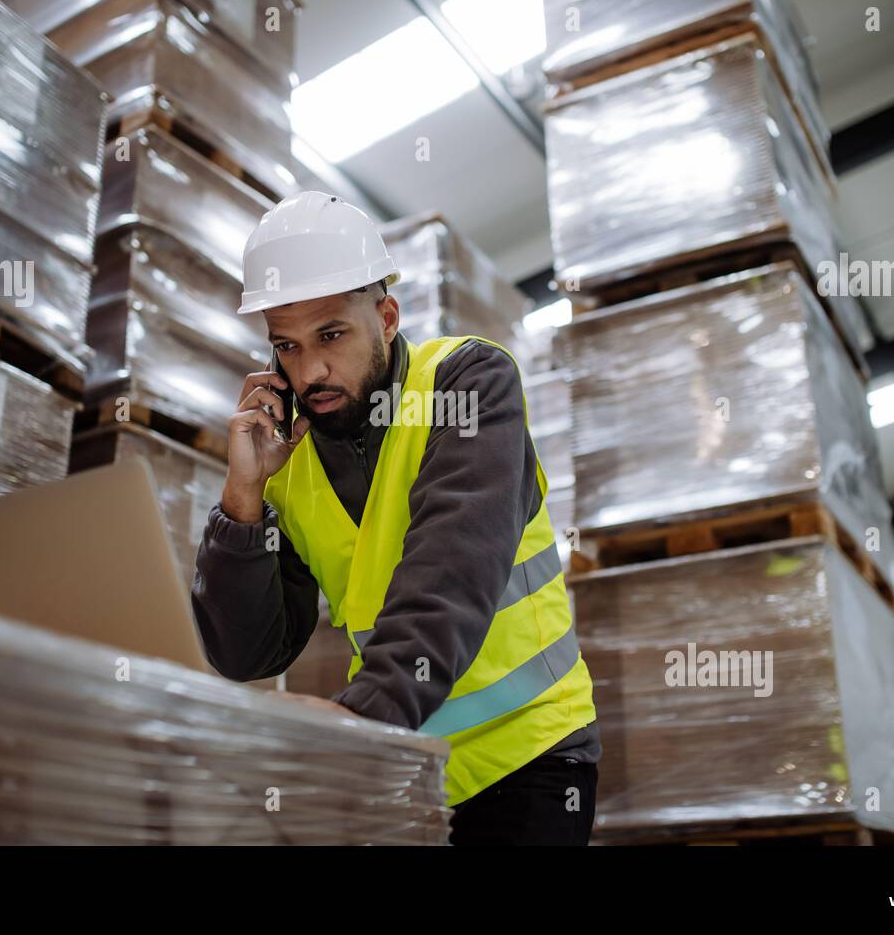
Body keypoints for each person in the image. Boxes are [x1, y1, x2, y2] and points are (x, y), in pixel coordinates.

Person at [192, 191, 600, 845]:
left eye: (331, 335)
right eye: (287, 348)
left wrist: (360, 720)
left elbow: (452, 568)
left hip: (530, 755)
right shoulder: (287, 463)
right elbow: (250, 653)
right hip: (407, 763)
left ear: (385, 317)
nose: (312, 370)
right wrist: (242, 499)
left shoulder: (466, 385)